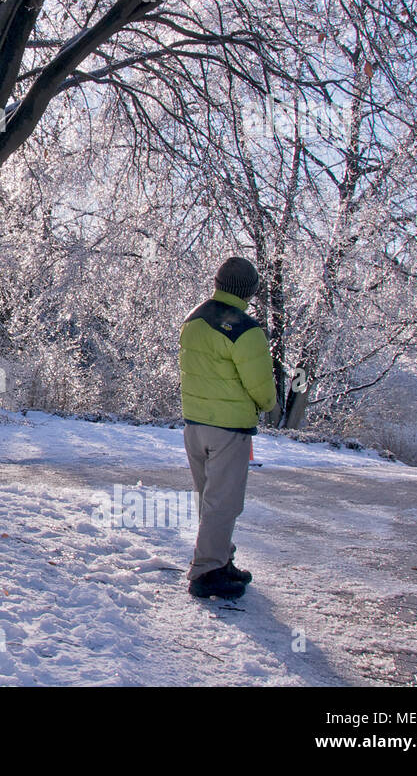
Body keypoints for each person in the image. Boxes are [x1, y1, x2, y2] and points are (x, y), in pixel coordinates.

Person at [178, 256, 277, 600]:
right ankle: (207, 571)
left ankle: (220, 558)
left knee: (207, 498)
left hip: (194, 424)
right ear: (249, 291)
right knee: (224, 502)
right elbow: (262, 388)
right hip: (229, 429)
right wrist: (267, 404)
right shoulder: (245, 329)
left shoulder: (193, 318)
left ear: (217, 281)